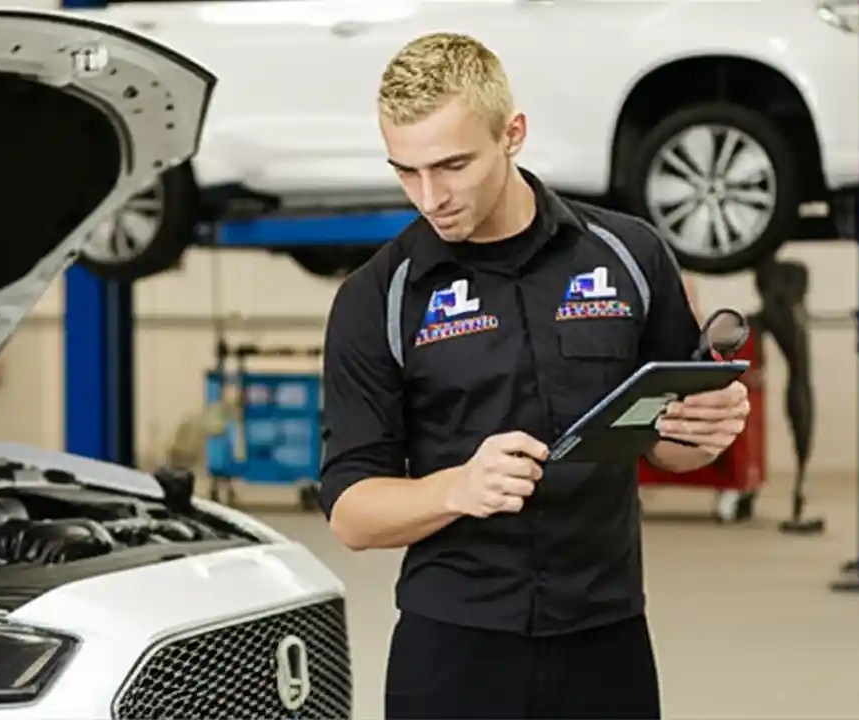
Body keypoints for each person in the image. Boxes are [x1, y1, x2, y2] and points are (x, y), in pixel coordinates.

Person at [316, 32, 750, 720]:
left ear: (512, 134)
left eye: (453, 165)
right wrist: (458, 488)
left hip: (607, 640)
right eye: (407, 171)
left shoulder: (628, 256)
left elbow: (667, 444)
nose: (431, 196)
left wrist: (705, 429)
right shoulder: (378, 298)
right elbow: (351, 514)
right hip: (454, 652)